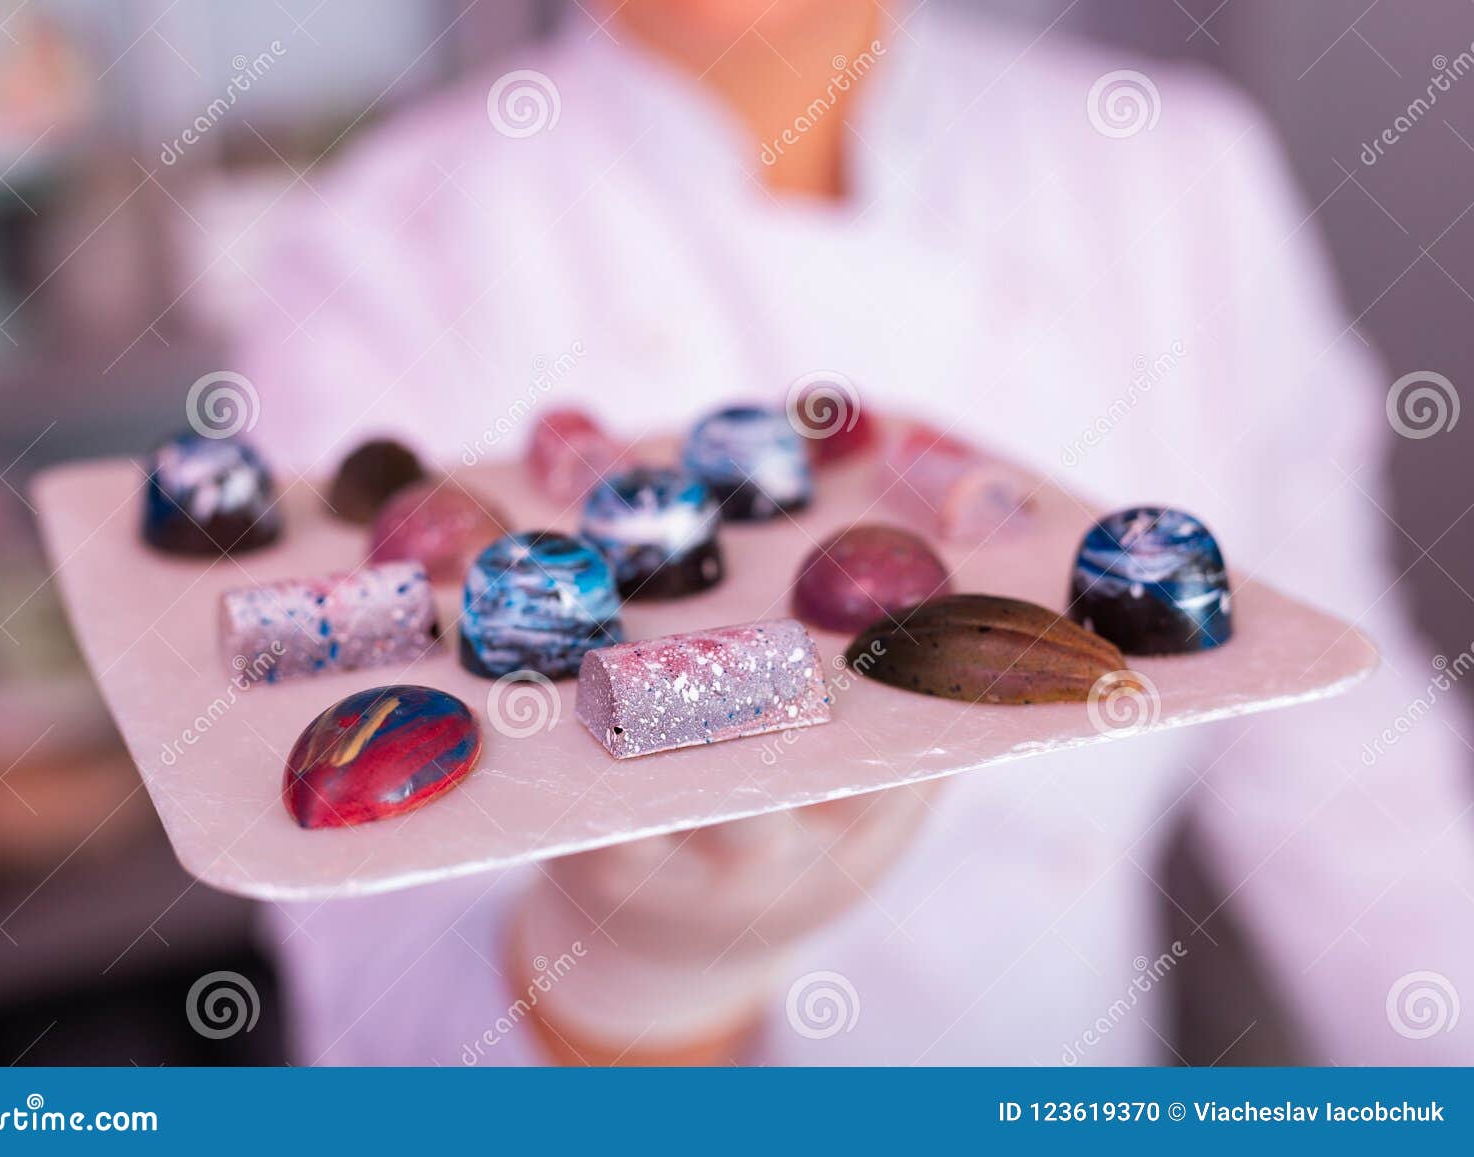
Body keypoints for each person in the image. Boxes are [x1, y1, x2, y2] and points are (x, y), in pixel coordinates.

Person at [240, 0, 1474, 1064]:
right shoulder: (374, 256)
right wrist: (630, 988)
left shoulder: (1170, 175)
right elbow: (381, 1007)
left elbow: (1351, 786)